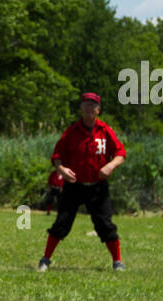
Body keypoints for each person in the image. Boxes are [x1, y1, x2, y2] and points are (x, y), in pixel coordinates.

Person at [37, 91, 126, 272]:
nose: (89, 108)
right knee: (62, 222)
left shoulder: (105, 131)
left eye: (93, 105)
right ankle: (45, 260)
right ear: (80, 109)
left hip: (98, 187)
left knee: (105, 224)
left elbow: (120, 153)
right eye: (85, 104)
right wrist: (62, 170)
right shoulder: (71, 132)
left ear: (98, 110)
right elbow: (57, 156)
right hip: (74, 186)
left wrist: (110, 166)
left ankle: (117, 262)